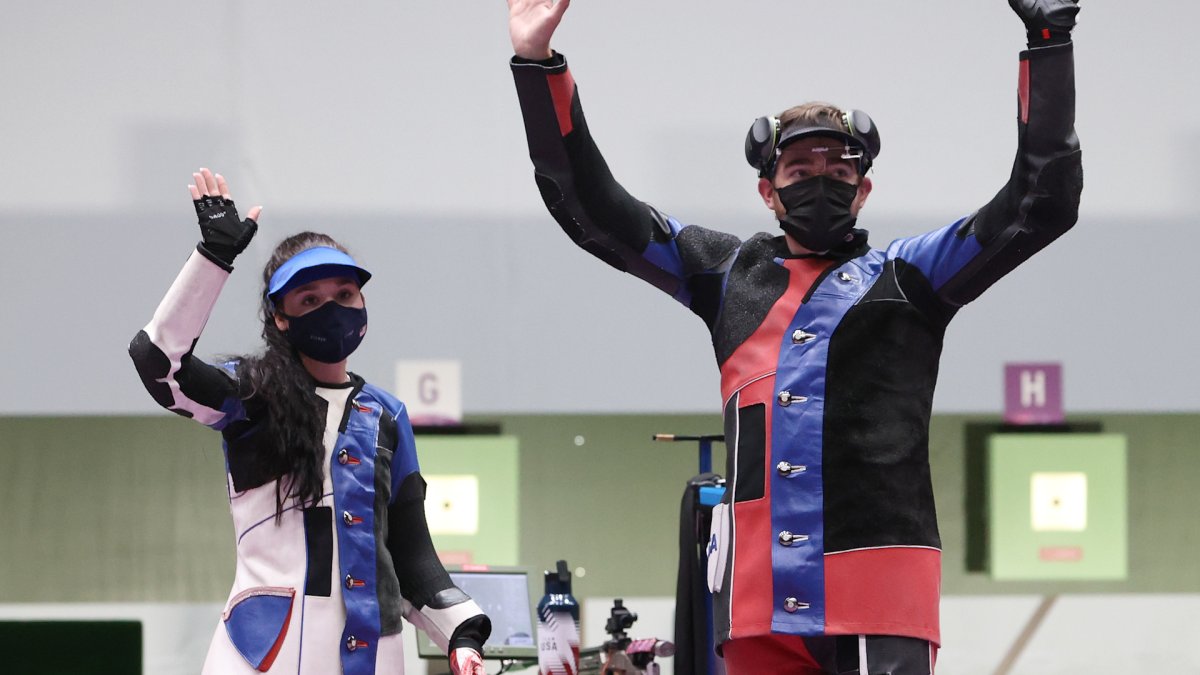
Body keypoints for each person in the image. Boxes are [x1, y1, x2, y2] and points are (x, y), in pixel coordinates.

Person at [506, 0, 1082, 672]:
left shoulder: (911, 275)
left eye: (839, 174)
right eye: (799, 174)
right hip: (758, 602)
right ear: (767, 192)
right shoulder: (725, 274)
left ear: (864, 191)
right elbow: (591, 209)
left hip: (878, 594)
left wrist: (1048, 42)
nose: (820, 185)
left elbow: (1042, 203)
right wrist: (536, 62)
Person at [128, 168, 490, 675]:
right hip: (263, 655)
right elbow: (158, 362)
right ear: (280, 315)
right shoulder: (251, 394)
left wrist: (462, 634)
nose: (332, 309)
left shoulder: (388, 415)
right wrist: (214, 258)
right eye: (309, 300)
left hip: (375, 655)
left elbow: (410, 552)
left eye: (344, 294)